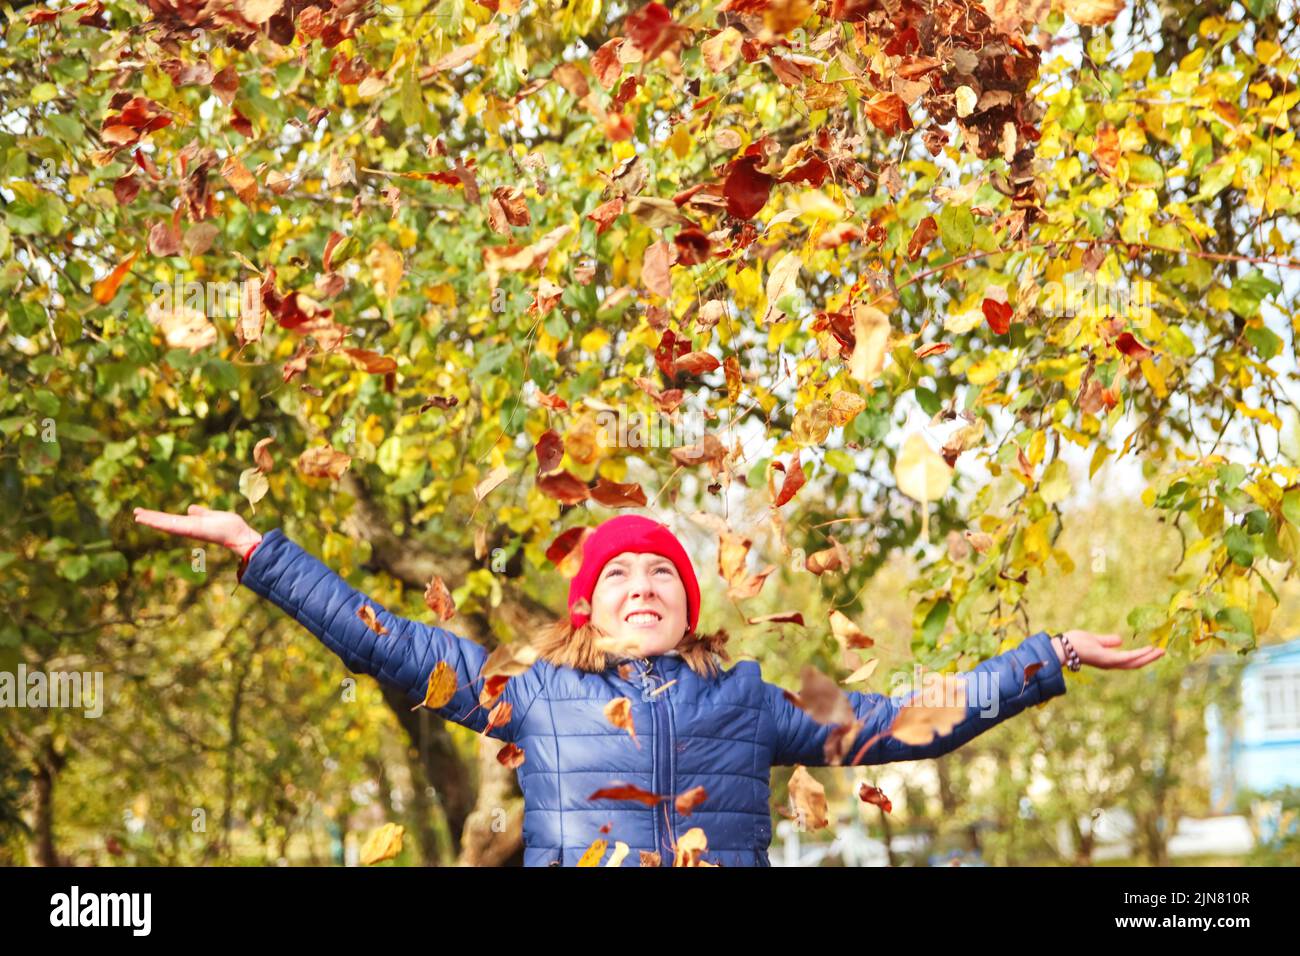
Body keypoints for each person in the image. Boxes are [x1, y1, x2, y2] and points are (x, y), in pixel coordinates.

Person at [132, 506, 1165, 866]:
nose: (639, 583)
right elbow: (391, 641)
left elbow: (908, 724)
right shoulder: (528, 692)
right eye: (615, 573)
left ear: (686, 602)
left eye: (658, 571)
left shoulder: (749, 695)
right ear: (586, 608)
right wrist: (258, 550)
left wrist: (1049, 653)